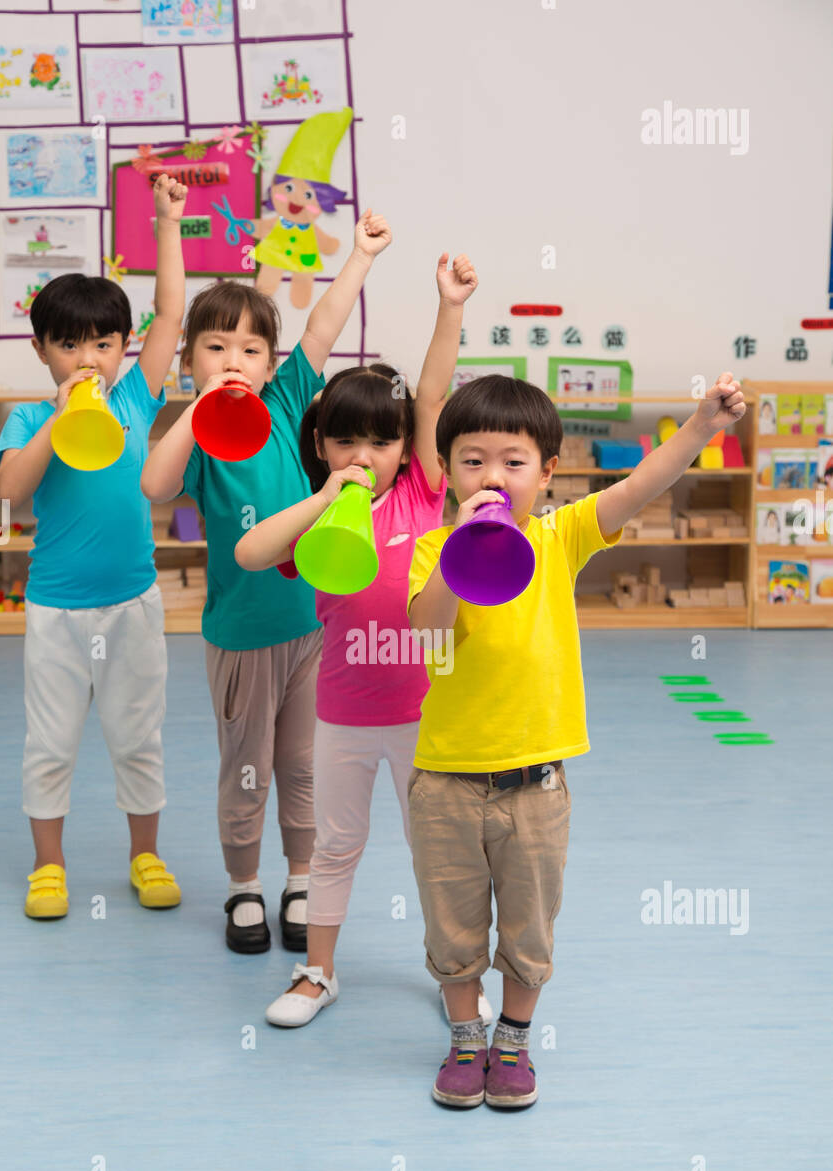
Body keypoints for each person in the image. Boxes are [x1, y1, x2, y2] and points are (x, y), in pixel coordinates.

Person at [407, 370, 746, 1109]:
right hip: (445, 783)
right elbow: (427, 627)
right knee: (452, 928)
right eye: (471, 461)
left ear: (547, 471)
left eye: (513, 461)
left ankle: (513, 1044)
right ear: (447, 471)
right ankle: (466, 1042)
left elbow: (638, 487)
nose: (492, 475)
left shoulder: (561, 536)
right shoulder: (433, 548)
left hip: (537, 786)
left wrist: (698, 428)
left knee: (529, 929)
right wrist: (464, 541)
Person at [235, 253, 491, 1028]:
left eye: (380, 444)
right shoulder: (319, 515)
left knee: (439, 854)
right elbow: (250, 554)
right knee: (334, 848)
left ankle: (456, 979)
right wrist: (322, 498)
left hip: (426, 712)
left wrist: (449, 307)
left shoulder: (421, 485)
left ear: (404, 449)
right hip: (343, 713)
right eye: (344, 443)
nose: (362, 457)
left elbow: (436, 392)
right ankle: (318, 973)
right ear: (321, 447)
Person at [142, 209, 391, 954]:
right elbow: (156, 486)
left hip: (311, 627)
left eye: (251, 349)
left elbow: (323, 326)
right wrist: (196, 406)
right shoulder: (202, 436)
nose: (234, 360)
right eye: (215, 347)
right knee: (247, 770)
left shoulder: (286, 406)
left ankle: (300, 879)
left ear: (269, 360)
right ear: (190, 358)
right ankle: (243, 887)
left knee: (303, 766)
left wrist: (361, 256)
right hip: (241, 637)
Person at [0, 174, 188, 920]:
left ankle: (146, 853)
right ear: (42, 348)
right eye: (70, 345)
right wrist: (62, 413)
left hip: (133, 606)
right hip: (56, 611)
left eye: (104, 345)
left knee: (138, 737)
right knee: (51, 744)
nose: (89, 359)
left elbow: (172, 312)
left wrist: (167, 222)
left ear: (122, 348)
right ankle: (50, 867)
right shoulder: (24, 418)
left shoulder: (138, 398)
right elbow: (9, 490)